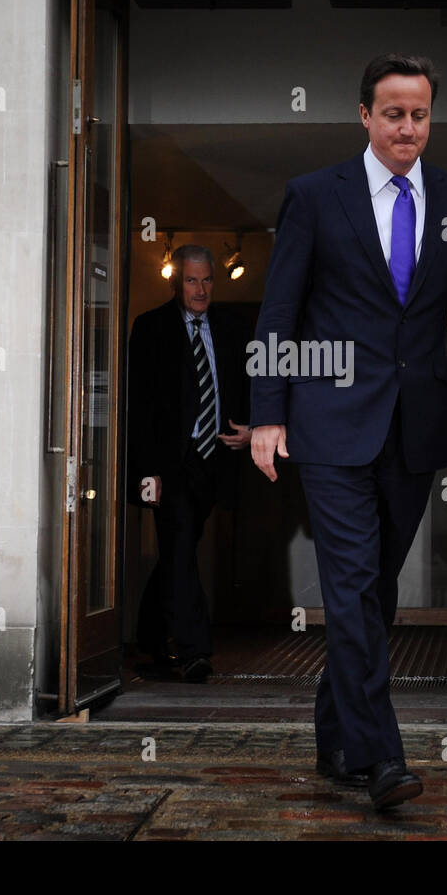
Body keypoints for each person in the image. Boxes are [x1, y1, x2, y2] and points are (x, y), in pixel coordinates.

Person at [250, 54, 447, 809]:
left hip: (416, 430)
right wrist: (268, 413)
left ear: (432, 118)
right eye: (392, 113)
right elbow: (280, 314)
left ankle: (335, 738)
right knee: (355, 586)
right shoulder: (314, 197)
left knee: (377, 595)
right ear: (365, 116)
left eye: (419, 114)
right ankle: (380, 759)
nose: (407, 127)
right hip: (329, 427)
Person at [126, 245, 251, 682]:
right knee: (179, 546)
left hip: (214, 459)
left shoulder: (232, 328)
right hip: (169, 464)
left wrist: (253, 429)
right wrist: (146, 472)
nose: (200, 290)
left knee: (179, 551)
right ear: (176, 283)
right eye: (192, 281)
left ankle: (149, 635)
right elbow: (138, 408)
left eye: (207, 280)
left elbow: (246, 386)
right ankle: (196, 650)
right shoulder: (150, 328)